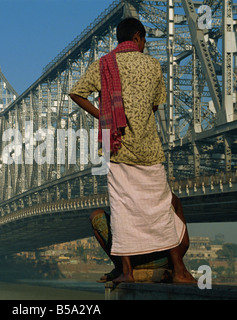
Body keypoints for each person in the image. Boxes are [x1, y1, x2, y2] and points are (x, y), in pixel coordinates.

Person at [69, 17, 195, 283]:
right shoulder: (151, 65)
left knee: (122, 209)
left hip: (118, 150)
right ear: (137, 37)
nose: (146, 43)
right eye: (145, 38)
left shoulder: (104, 64)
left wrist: (105, 117)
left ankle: (127, 272)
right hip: (149, 150)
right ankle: (180, 270)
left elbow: (76, 93)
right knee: (161, 207)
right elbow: (156, 105)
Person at [90, 193, 191, 283]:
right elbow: (185, 243)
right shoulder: (171, 198)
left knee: (96, 215)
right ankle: (177, 271)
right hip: (163, 262)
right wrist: (172, 264)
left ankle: (122, 269)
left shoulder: (123, 199)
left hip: (130, 262)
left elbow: (119, 231)